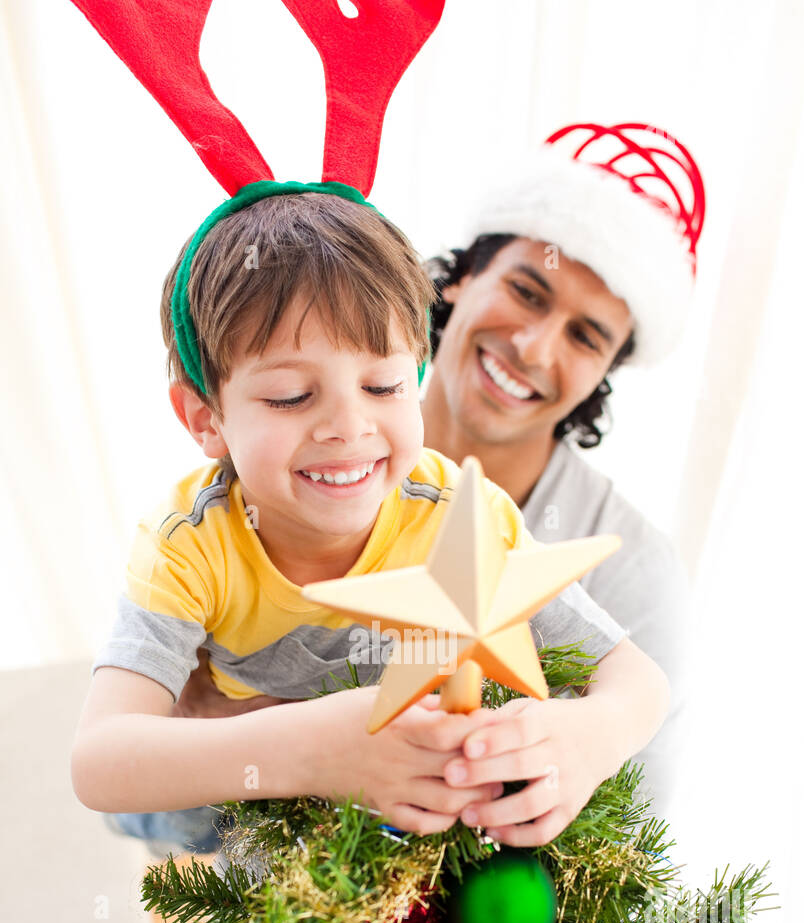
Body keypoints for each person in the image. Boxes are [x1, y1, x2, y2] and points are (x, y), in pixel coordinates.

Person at [74, 191, 669, 854]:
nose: (348, 428)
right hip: (238, 782)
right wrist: (309, 747)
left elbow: (638, 680)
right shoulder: (189, 544)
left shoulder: (458, 517)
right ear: (204, 419)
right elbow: (99, 762)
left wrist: (589, 736)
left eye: (383, 387)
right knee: (176, 826)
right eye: (291, 396)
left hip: (384, 782)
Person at [421, 124, 706, 813]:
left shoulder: (629, 569)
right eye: (526, 291)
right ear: (461, 277)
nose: (532, 348)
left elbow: (636, 858)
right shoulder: (317, 453)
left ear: (606, 372)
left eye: (584, 336)